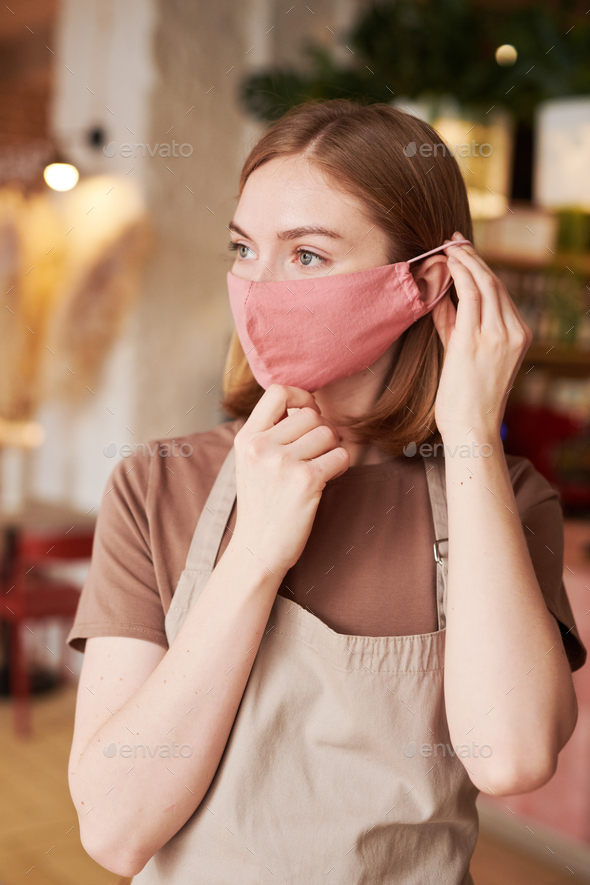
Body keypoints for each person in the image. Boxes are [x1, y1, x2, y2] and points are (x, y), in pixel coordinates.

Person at [66, 100, 586, 884]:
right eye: (244, 248)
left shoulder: (506, 502)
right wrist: (255, 556)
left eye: (306, 255)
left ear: (426, 280)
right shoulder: (155, 481)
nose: (258, 289)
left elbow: (509, 754)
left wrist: (473, 435)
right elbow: (114, 827)